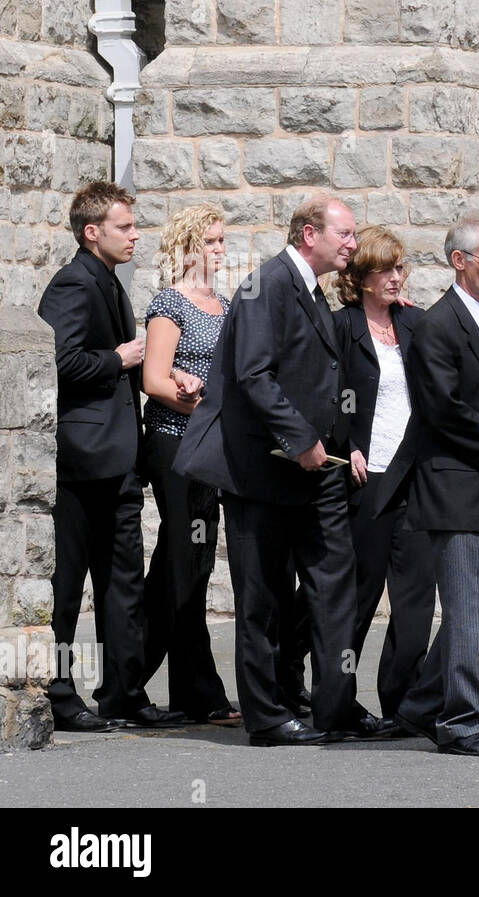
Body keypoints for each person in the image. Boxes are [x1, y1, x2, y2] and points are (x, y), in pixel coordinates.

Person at [175, 195, 386, 746]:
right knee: (263, 597)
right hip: (263, 475)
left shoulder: (312, 289)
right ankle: (267, 717)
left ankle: (333, 707)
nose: (353, 244)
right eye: (345, 233)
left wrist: (338, 444)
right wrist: (300, 440)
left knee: (335, 586)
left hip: (319, 475)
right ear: (309, 234)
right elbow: (253, 374)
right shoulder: (265, 284)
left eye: (355, 235)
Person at [379, 215, 479, 756]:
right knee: (465, 605)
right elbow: (444, 410)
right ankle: (460, 721)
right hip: (454, 489)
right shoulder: (437, 326)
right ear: (459, 261)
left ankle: (423, 702)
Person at [37, 180, 184, 731]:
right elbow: (60, 362)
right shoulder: (74, 283)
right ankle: (60, 693)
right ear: (92, 231)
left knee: (123, 583)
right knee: (68, 588)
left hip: (121, 463)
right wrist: (119, 358)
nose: (136, 236)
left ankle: (124, 691)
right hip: (82, 463)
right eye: (125, 226)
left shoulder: (109, 281)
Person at [139, 203, 240, 726]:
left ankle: (133, 677)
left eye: (223, 241)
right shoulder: (169, 303)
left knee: (189, 562)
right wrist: (201, 405)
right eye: (211, 241)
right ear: (187, 247)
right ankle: (199, 692)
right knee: (184, 558)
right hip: (174, 442)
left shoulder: (223, 305)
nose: (220, 250)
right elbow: (153, 381)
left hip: (209, 447)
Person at [332, 226, 435, 723]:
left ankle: (405, 704)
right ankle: (336, 701)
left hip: (414, 477)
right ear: (363, 277)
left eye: (400, 268)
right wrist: (344, 443)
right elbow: (325, 397)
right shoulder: (341, 327)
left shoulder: (417, 324)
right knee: (356, 599)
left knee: (415, 608)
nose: (397, 278)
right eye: (386, 270)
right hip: (365, 479)